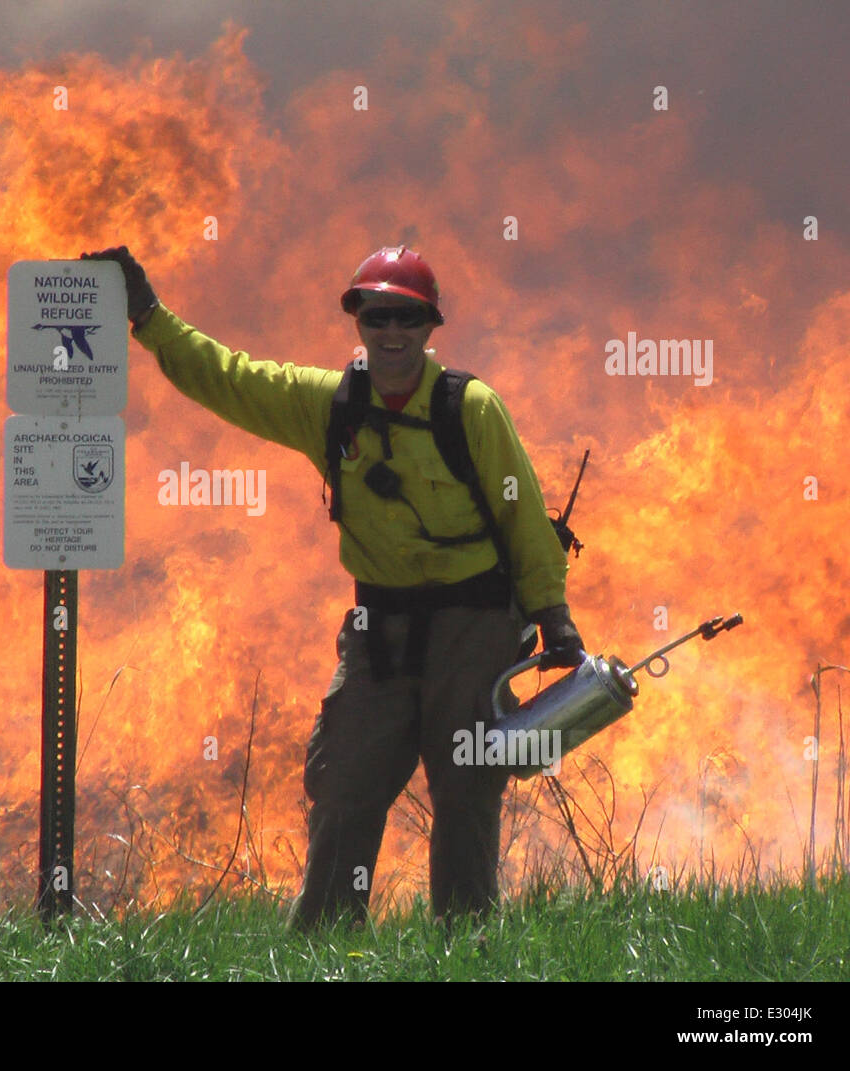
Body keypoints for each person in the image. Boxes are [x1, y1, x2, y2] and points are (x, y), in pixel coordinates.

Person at [80, 244, 584, 928]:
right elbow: (231, 379)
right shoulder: (332, 406)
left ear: (431, 325)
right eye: (377, 317)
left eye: (407, 317)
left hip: (473, 626)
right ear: (358, 322)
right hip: (379, 633)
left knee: (467, 791)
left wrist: (554, 618)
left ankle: (466, 949)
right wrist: (147, 315)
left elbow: (524, 517)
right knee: (345, 782)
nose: (392, 332)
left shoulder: (471, 409)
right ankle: (322, 944)